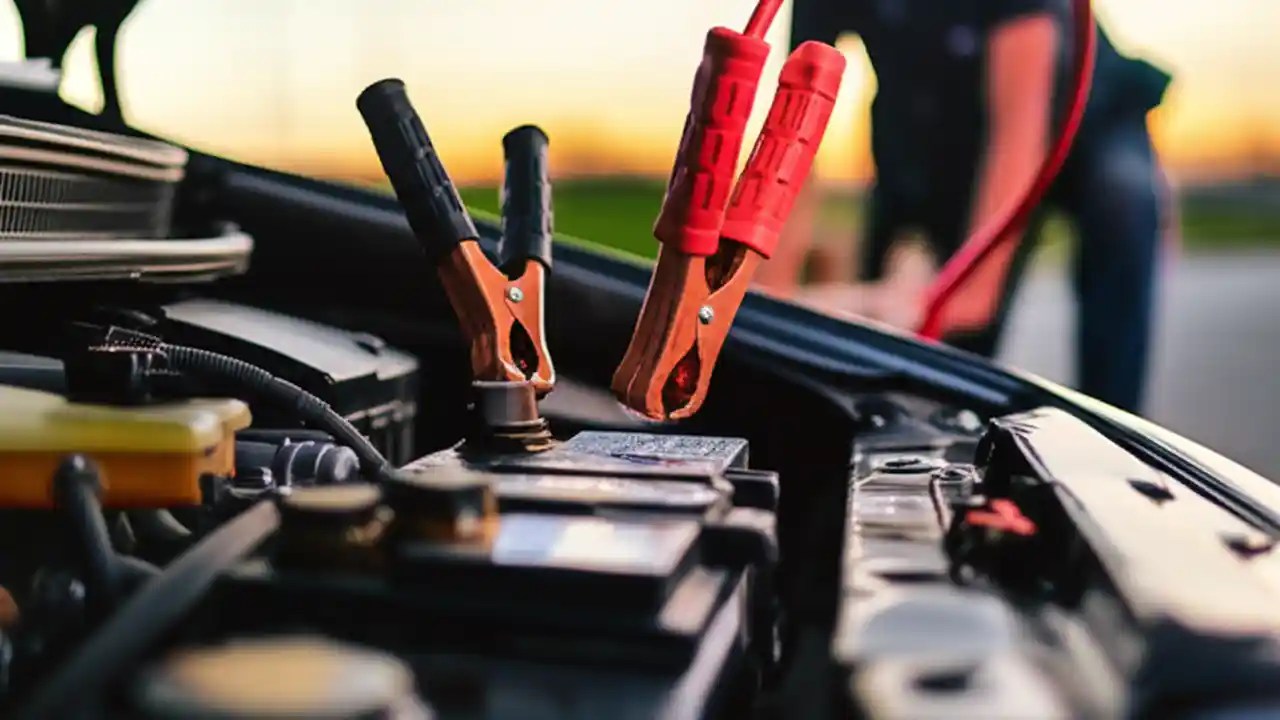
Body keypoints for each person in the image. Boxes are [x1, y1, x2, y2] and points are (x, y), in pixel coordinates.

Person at [760, 0, 1173, 413]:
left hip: (1081, 121)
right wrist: (766, 298)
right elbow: (796, 130)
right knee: (898, 372)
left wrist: (964, 295)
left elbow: (1017, 127)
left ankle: (1111, 423)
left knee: (1122, 198)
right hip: (934, 136)